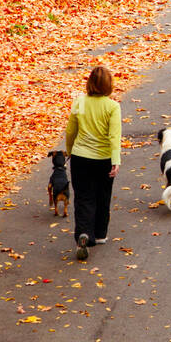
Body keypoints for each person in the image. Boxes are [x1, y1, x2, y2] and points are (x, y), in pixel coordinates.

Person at [65, 65, 122, 261]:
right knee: (102, 195)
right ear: (109, 85)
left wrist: (70, 150)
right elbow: (114, 136)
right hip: (104, 158)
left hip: (81, 158)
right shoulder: (113, 107)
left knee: (83, 197)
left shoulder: (79, 102)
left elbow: (70, 131)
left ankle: (83, 233)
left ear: (89, 83)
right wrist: (116, 161)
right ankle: (99, 234)